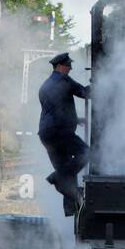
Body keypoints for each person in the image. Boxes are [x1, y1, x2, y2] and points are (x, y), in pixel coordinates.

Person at [38, 52, 91, 215]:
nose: (70, 68)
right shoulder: (64, 80)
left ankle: (70, 210)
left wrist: (77, 120)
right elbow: (85, 93)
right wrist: (98, 82)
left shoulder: (45, 85)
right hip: (60, 132)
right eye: (68, 66)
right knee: (87, 153)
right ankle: (56, 177)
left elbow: (56, 109)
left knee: (67, 172)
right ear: (60, 66)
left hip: (46, 134)